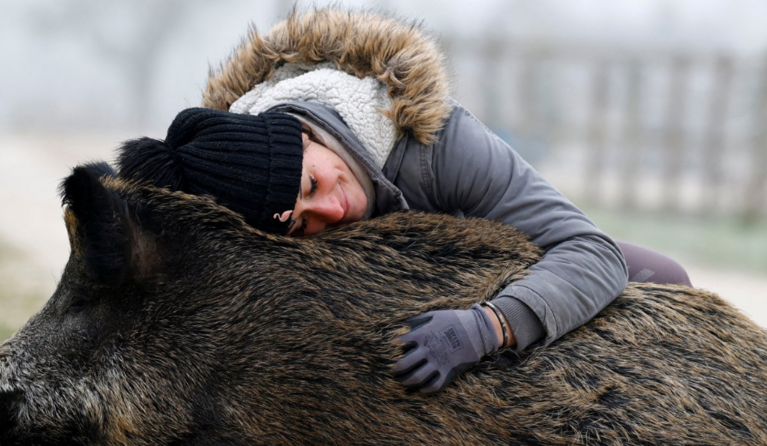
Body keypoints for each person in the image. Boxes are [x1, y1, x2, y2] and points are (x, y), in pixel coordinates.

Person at [117, 8, 691, 395]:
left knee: (665, 277)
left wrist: (488, 327)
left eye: (314, 184)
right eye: (302, 223)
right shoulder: (243, 220)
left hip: (499, 284)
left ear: (304, 133)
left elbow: (588, 250)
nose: (334, 212)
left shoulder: (437, 141)